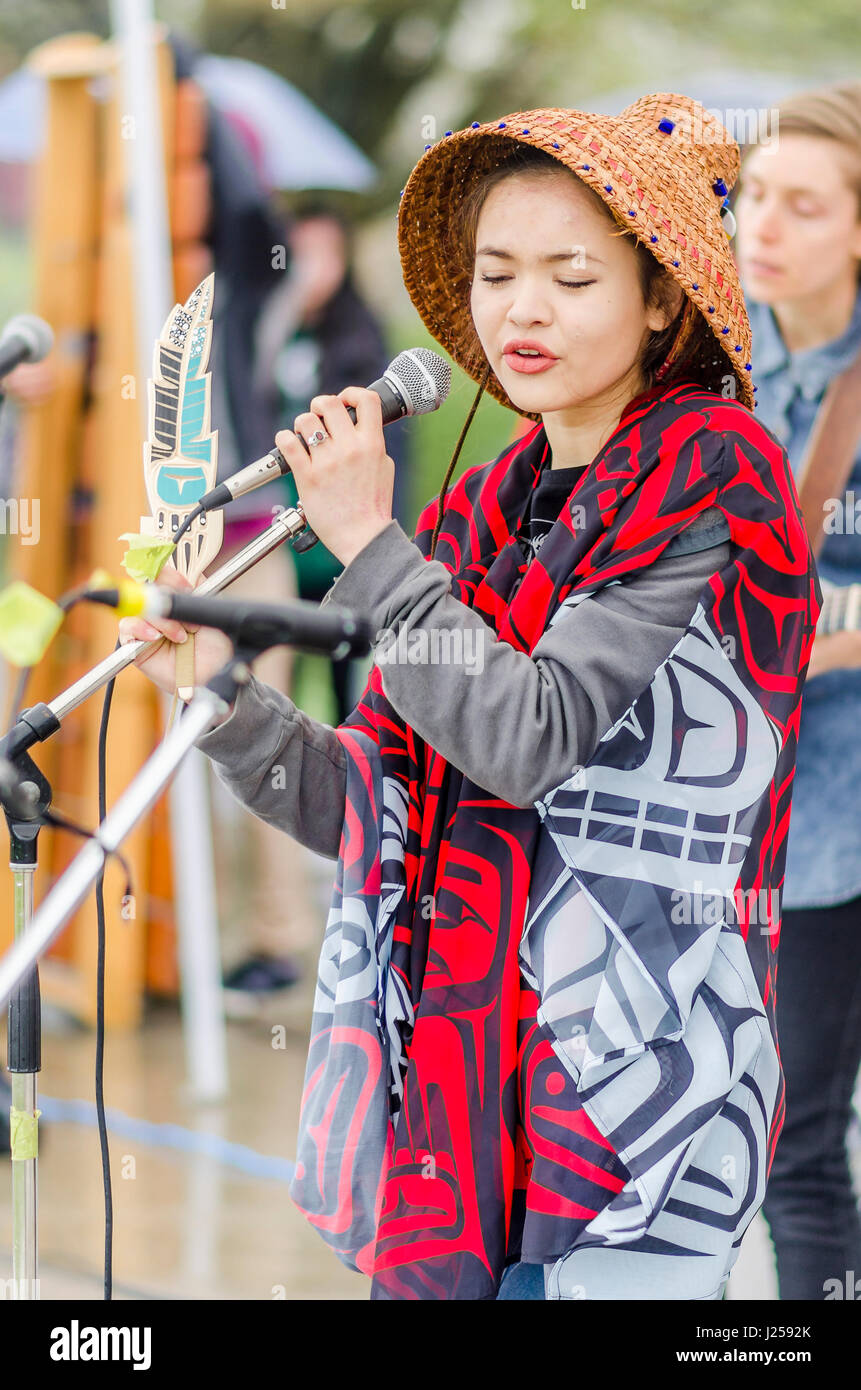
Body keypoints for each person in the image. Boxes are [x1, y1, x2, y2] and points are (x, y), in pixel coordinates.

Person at [118, 94, 818, 1300]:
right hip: (462, 1094)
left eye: (570, 277)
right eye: (497, 272)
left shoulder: (712, 471)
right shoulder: (483, 509)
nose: (521, 309)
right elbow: (373, 806)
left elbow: (526, 737)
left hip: (629, 1095)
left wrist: (372, 545)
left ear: (661, 300)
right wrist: (220, 695)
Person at [734, 80, 861, 1301]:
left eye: (803, 205)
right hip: (707, 805)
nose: (762, 224)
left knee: (800, 1141)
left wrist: (828, 627)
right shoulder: (713, 357)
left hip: (832, 817)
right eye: (754, 194)